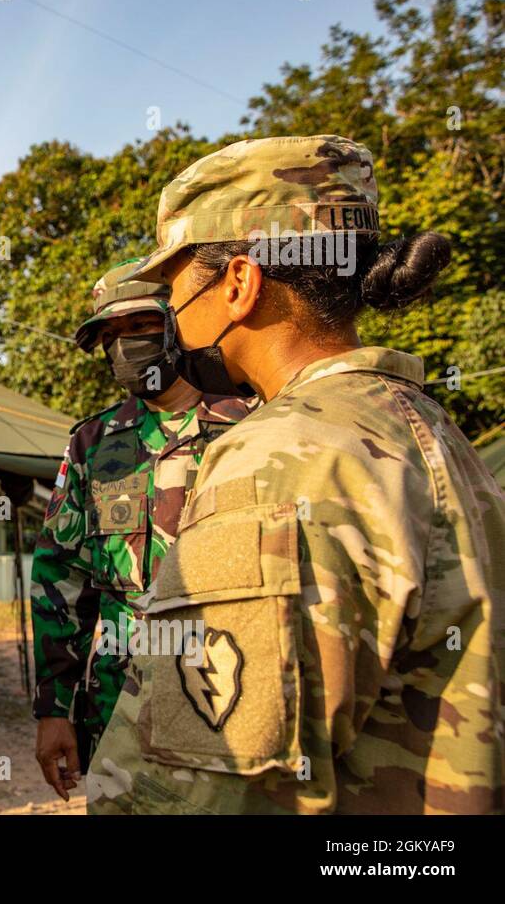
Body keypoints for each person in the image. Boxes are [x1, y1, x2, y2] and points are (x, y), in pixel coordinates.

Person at [87, 134, 505, 814]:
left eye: (175, 291)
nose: (174, 321)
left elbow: (213, 786)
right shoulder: (432, 432)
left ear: (240, 282)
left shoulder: (279, 461)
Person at [30, 259, 255, 801]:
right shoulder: (93, 442)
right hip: (119, 702)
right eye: (110, 336)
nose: (124, 346)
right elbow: (59, 578)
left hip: (230, 694)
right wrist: (53, 709)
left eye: (140, 329)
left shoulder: (252, 422)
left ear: (177, 322)